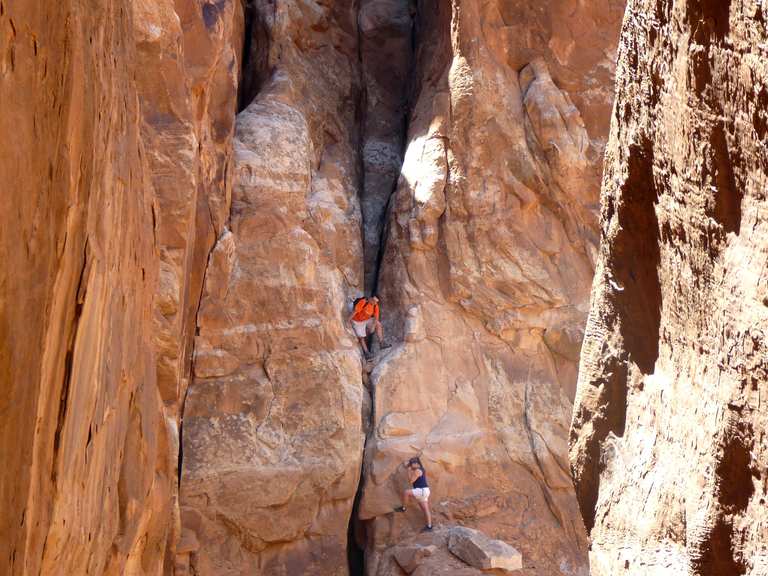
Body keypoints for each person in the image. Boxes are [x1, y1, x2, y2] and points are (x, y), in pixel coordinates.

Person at [394, 457, 433, 532]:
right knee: (425, 509)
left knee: (406, 492)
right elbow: (407, 464)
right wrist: (408, 465)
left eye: (412, 464)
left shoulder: (417, 471)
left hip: (422, 490)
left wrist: (408, 471)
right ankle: (429, 526)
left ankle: (403, 508)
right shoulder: (421, 469)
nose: (411, 465)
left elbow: (411, 481)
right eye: (411, 464)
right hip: (424, 490)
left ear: (417, 464)